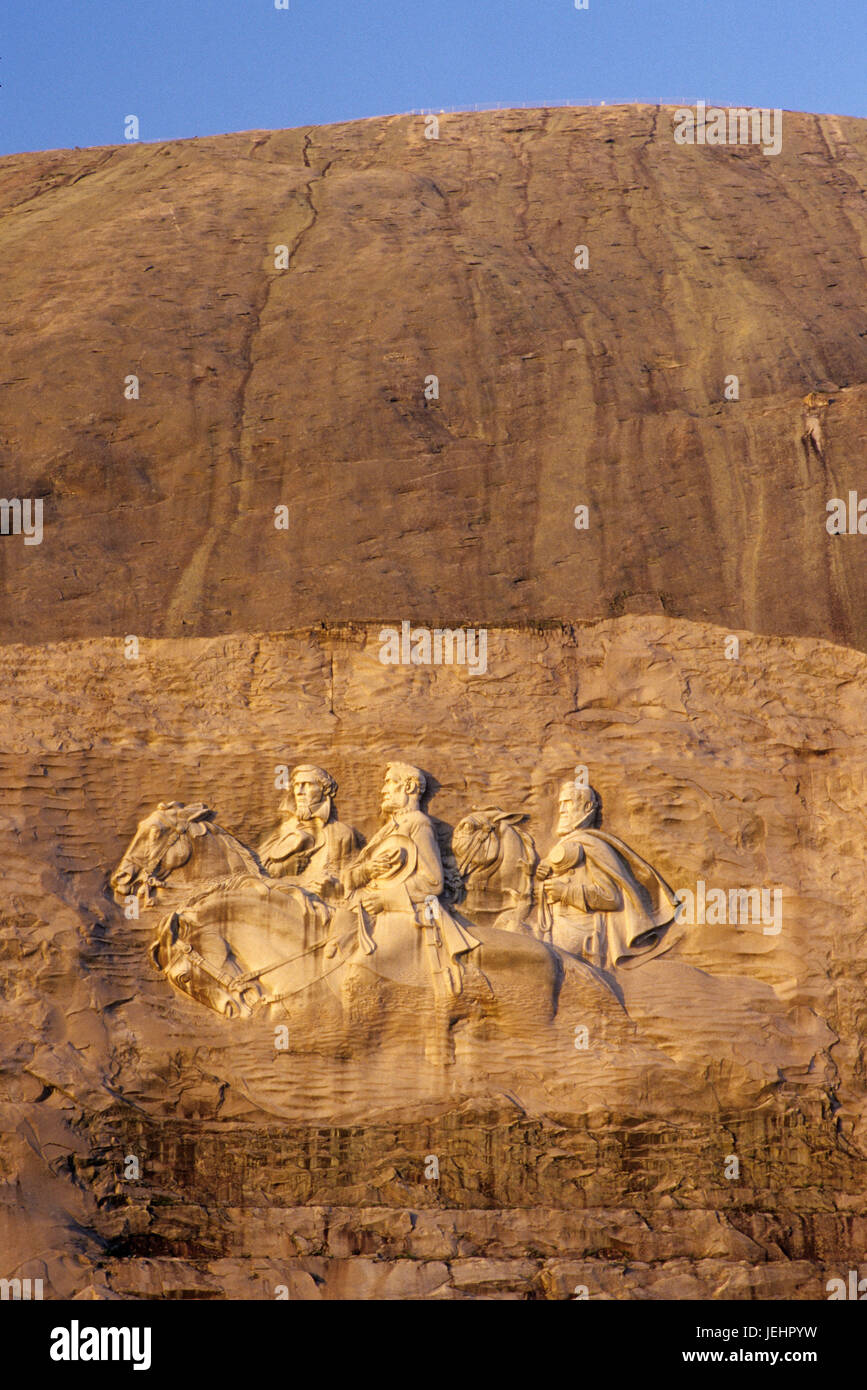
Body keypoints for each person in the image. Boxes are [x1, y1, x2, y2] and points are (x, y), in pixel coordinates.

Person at [536, 782, 678, 970]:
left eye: (568, 803)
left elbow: (611, 898)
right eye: (560, 804)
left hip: (579, 934)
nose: (561, 810)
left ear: (587, 808)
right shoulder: (565, 845)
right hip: (553, 927)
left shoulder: (593, 845)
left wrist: (566, 892)